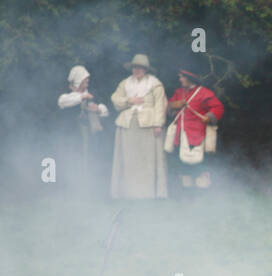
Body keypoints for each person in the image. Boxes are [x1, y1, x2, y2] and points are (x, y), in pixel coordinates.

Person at [110, 54, 167, 199]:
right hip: (128, 124)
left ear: (146, 69)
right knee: (129, 159)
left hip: (148, 124)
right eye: (135, 67)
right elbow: (115, 100)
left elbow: (160, 104)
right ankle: (128, 192)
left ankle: (148, 193)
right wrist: (130, 100)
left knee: (147, 159)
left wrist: (158, 124)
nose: (137, 70)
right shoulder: (125, 83)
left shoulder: (155, 84)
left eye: (140, 68)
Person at [166, 68, 223, 193]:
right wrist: (175, 105)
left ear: (189, 78)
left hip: (197, 135)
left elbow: (218, 107)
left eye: (182, 77)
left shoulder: (204, 93)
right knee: (183, 166)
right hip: (181, 135)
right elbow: (169, 107)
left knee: (199, 166)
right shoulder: (179, 92)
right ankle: (187, 196)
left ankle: (201, 196)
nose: (180, 79)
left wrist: (208, 117)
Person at [57, 65, 110, 192]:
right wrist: (81, 97)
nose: (87, 82)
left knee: (91, 158)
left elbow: (105, 111)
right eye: (85, 79)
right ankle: (71, 187)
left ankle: (89, 187)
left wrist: (97, 109)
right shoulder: (69, 96)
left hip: (90, 134)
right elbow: (62, 102)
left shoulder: (90, 94)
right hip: (72, 135)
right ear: (78, 80)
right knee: (73, 158)